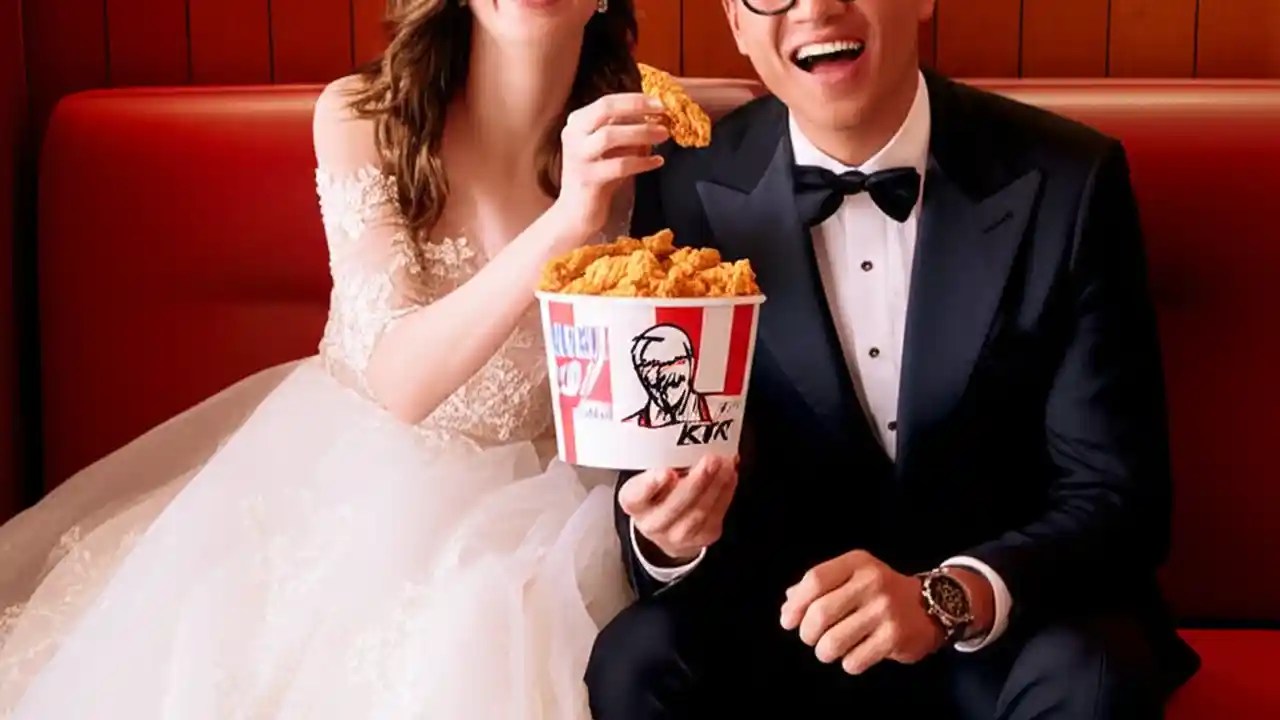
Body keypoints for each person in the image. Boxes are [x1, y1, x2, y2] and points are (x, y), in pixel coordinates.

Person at [0, 0, 724, 717]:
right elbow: (398, 379)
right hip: (357, 484)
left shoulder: (649, 135)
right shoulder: (363, 115)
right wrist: (570, 219)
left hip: (555, 496)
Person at [587, 0, 1202, 717]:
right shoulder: (679, 185)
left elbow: (1117, 498)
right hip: (786, 627)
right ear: (735, 23)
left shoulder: (1072, 178)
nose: (815, 7)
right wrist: (667, 537)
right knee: (636, 659)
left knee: (1092, 677)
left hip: (1004, 629)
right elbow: (660, 453)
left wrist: (945, 598)